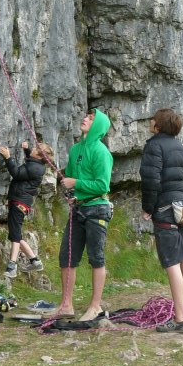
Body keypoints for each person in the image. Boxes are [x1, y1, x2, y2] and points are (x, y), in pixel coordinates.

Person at [140, 108, 183, 333]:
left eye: (153, 119)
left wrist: (148, 208)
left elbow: (151, 180)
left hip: (165, 208)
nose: (150, 121)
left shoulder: (154, 146)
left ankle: (180, 318)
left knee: (171, 262)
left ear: (158, 125)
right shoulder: (182, 148)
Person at [54, 109, 113, 322]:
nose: (85, 118)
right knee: (67, 256)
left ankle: (95, 306)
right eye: (86, 116)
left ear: (98, 126)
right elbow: (69, 176)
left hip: (97, 208)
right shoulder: (76, 149)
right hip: (78, 208)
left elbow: (102, 185)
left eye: (91, 118)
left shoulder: (101, 152)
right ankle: (66, 305)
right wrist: (71, 192)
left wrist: (76, 184)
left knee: (96, 257)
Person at [0, 141, 51, 278]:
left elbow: (16, 173)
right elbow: (31, 162)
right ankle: (34, 261)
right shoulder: (38, 165)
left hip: (19, 202)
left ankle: (11, 266)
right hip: (21, 201)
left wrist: (8, 157)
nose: (33, 148)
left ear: (38, 155)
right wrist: (26, 151)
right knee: (16, 233)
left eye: (35, 149)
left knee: (15, 235)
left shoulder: (35, 168)